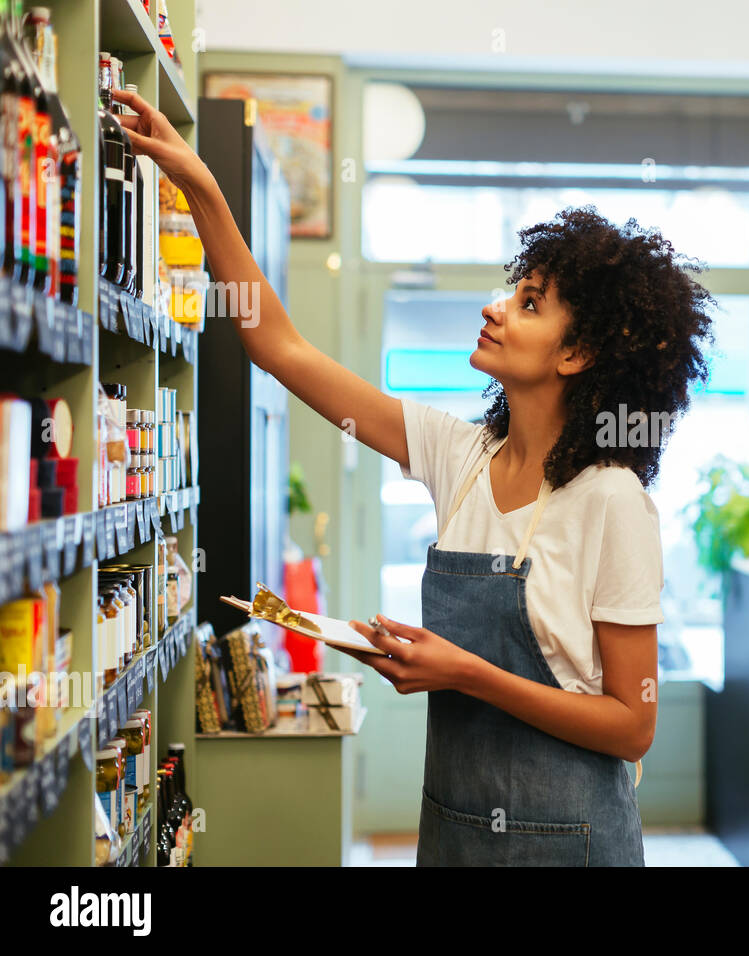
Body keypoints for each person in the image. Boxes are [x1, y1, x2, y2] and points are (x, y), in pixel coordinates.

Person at [114, 89, 715, 866]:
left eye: (529, 303)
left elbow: (633, 725)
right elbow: (279, 349)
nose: (496, 309)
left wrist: (464, 672)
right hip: (456, 827)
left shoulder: (611, 500)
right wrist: (200, 184)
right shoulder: (458, 456)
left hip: (574, 841)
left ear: (576, 356)